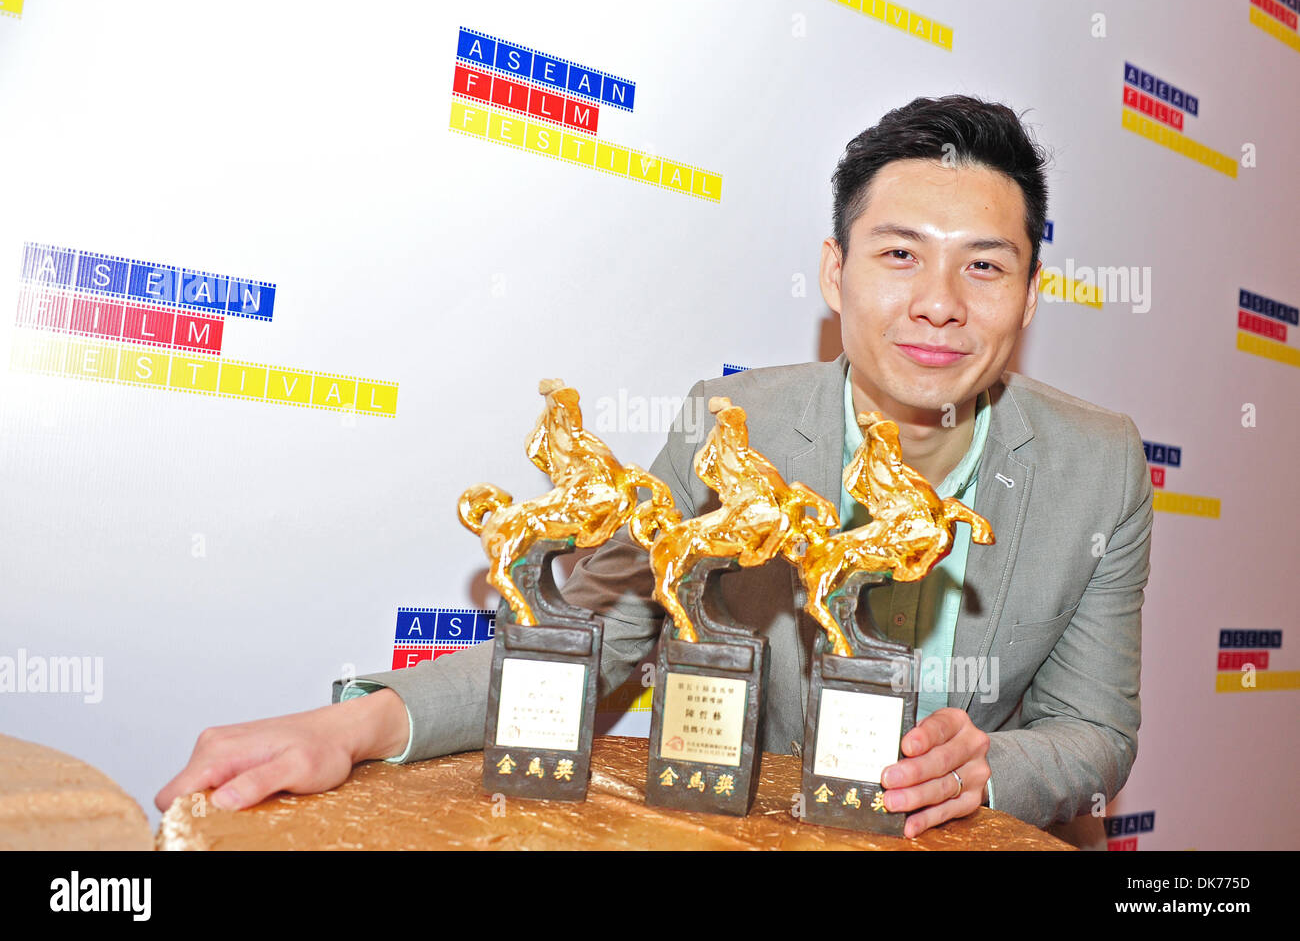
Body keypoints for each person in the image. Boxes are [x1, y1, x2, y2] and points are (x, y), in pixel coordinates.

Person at [157, 95, 1152, 844]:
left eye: (984, 264)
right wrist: (363, 723)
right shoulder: (735, 424)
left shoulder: (1099, 465)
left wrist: (987, 768)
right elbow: (595, 634)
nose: (940, 301)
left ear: (1027, 296)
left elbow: (1093, 729)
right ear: (833, 272)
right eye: (899, 254)